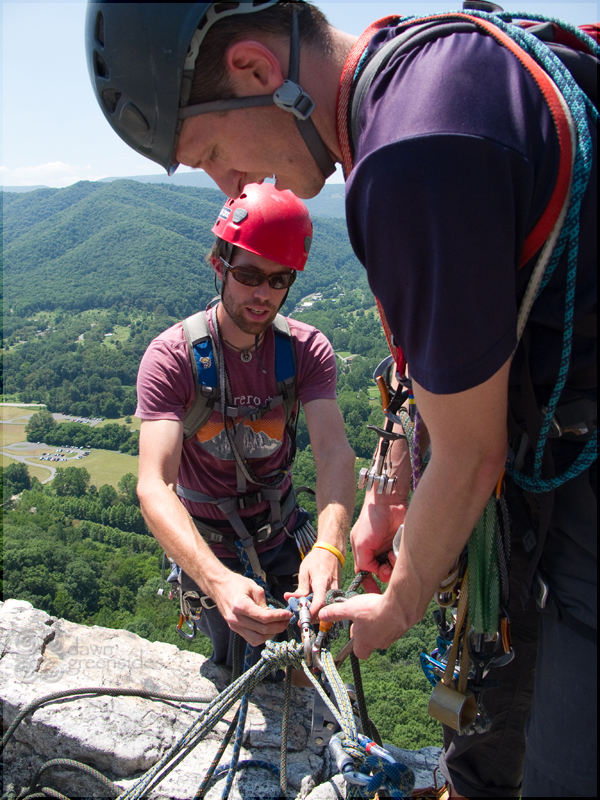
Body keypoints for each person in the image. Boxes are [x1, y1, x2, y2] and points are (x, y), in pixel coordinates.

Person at [86, 3, 597, 796]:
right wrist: (390, 492)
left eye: (214, 152)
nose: (233, 182)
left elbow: (468, 453)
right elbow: (440, 367)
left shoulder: (412, 149)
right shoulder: (422, 66)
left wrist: (398, 601)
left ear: (257, 70)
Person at [135, 181, 355, 676]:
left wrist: (329, 546)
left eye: (279, 280)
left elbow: (335, 454)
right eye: (250, 275)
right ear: (220, 265)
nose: (263, 294)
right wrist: (216, 582)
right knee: (237, 670)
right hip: (209, 545)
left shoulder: (305, 350)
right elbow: (154, 484)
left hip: (283, 536)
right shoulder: (173, 359)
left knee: (306, 670)